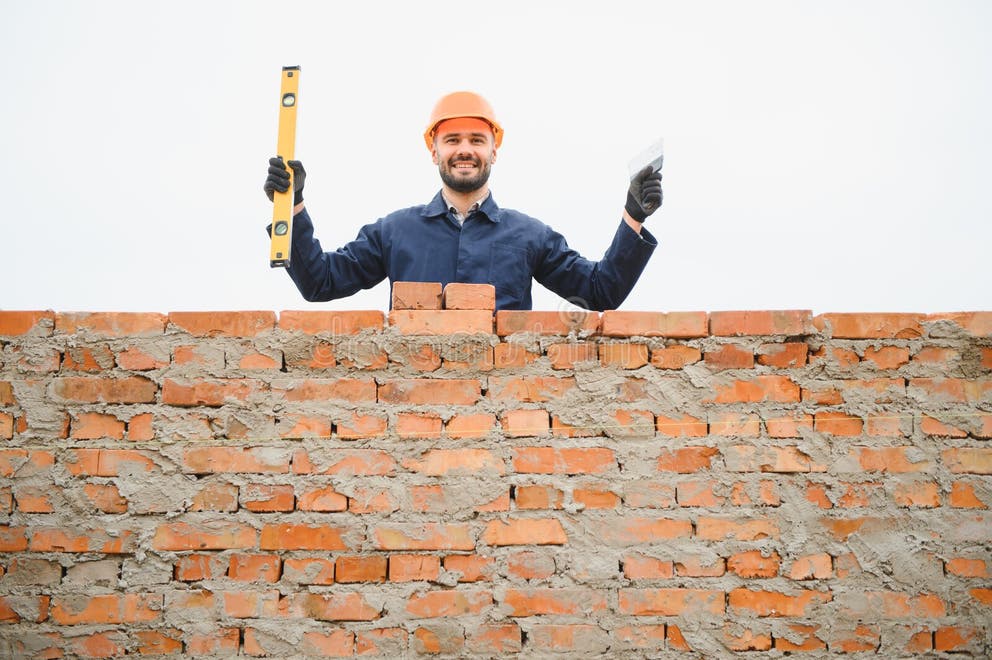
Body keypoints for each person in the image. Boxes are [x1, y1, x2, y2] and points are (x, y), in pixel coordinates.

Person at [264, 91, 662, 311]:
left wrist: (633, 216)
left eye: (477, 140)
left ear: (494, 151)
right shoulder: (394, 232)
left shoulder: (529, 235)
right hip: (412, 415)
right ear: (434, 151)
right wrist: (292, 206)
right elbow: (321, 282)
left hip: (503, 420)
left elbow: (600, 291)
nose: (465, 150)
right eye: (452, 140)